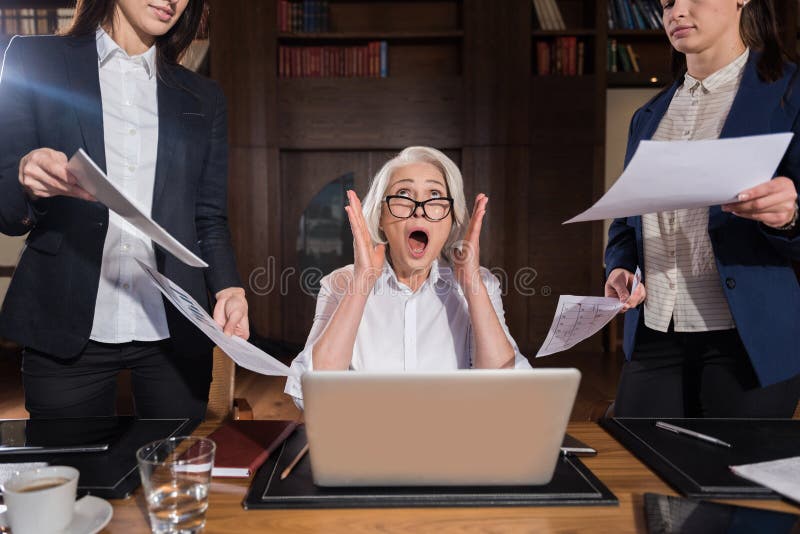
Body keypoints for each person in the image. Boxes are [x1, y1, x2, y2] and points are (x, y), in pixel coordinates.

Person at [0, 0, 249, 419]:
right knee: (73, 480)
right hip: (63, 321)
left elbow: (208, 216)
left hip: (174, 331)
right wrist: (25, 174)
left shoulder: (204, 96)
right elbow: (7, 214)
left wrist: (228, 287)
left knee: (174, 478)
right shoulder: (34, 61)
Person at [604, 0, 800, 417]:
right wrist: (619, 267)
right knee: (636, 467)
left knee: (729, 480)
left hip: (749, 340)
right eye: (666, 3)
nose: (676, 11)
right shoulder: (648, 116)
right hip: (656, 332)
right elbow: (626, 221)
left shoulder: (790, 92)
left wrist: (791, 216)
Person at [285, 147, 531, 407]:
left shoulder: (481, 284)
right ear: (381, 217)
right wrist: (362, 283)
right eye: (403, 194)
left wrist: (472, 286)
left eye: (435, 196)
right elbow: (309, 395)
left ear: (450, 220)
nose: (420, 210)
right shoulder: (341, 284)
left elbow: (508, 393)